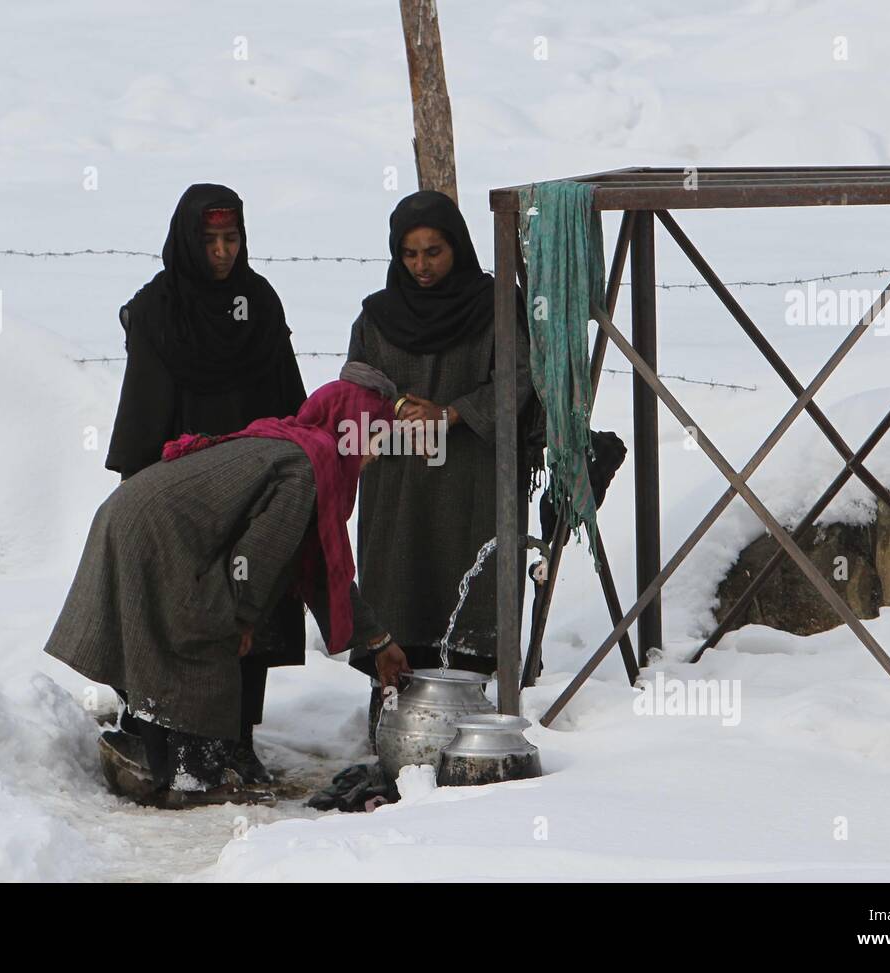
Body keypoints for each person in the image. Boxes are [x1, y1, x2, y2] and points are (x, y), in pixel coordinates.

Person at [46, 365, 413, 809]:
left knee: (170, 638)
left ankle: (158, 760)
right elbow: (260, 553)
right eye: (373, 439)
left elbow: (319, 570)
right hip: (155, 534)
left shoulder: (294, 444)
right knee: (205, 637)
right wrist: (240, 617)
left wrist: (377, 639)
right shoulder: (305, 469)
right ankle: (193, 782)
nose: (374, 454)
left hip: (132, 519)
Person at [103, 183, 309, 784]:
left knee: (250, 595)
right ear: (187, 243)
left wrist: (287, 464)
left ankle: (238, 738)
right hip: (181, 486)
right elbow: (144, 406)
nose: (222, 253)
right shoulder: (158, 309)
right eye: (210, 241)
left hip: (253, 477)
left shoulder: (257, 302)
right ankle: (172, 733)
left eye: (232, 239)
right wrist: (144, 483)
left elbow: (287, 397)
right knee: (181, 603)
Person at [346, 190, 539, 747]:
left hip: (473, 477)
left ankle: (470, 730)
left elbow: (520, 377)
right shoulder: (377, 316)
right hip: (398, 480)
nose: (422, 266)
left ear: (457, 246)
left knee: (469, 588)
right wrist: (399, 408)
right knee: (398, 589)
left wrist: (452, 413)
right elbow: (356, 383)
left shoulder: (495, 306)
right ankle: (392, 729)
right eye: (409, 254)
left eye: (434, 251)